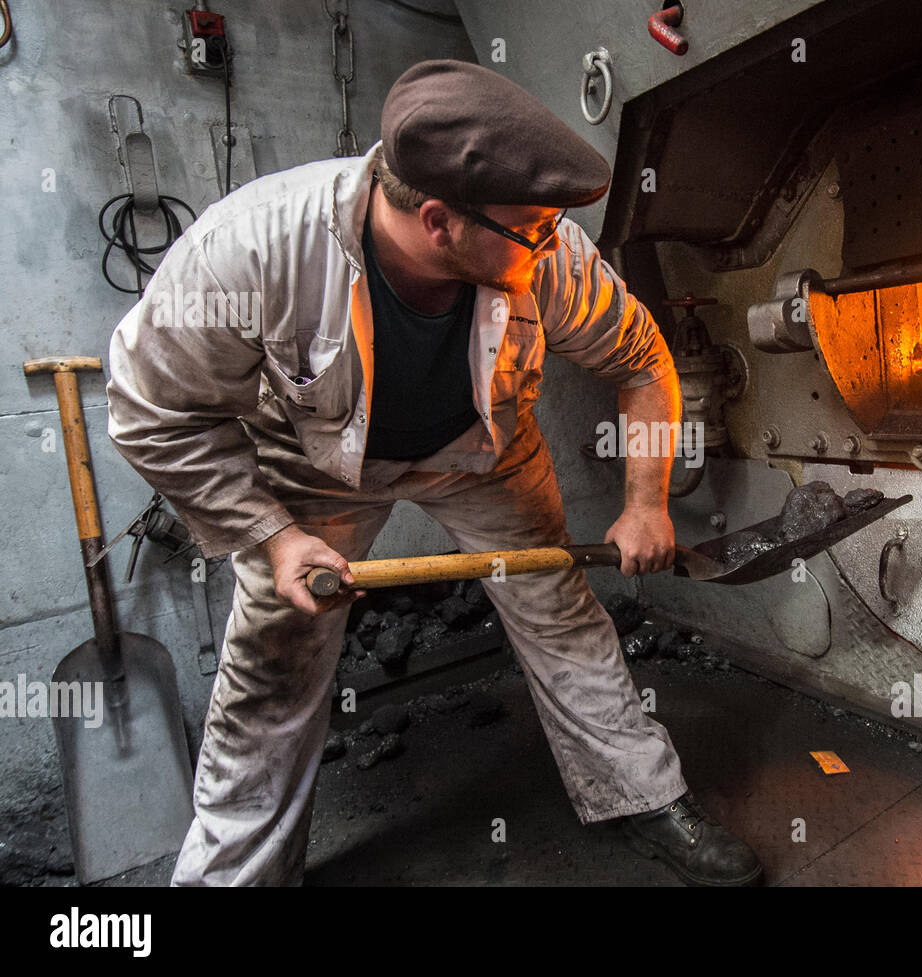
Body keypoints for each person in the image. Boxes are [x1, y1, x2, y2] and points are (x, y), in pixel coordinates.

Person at [105, 59, 762, 886]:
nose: (555, 243)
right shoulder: (254, 251)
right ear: (440, 220)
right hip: (316, 472)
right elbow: (146, 410)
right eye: (536, 230)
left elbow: (641, 362)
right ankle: (233, 874)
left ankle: (644, 795)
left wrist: (645, 502)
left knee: (560, 608)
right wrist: (272, 537)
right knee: (274, 660)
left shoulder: (545, 252)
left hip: (483, 455)